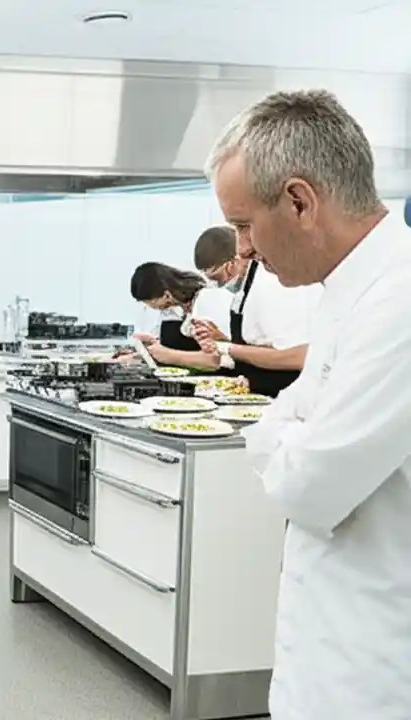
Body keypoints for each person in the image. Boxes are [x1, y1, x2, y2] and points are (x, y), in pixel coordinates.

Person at [207, 89, 411, 719]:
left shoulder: (399, 303)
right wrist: (290, 426)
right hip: (331, 653)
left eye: (244, 225)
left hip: (374, 673)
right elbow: (290, 415)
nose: (242, 249)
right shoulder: (351, 293)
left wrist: (281, 433)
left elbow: (310, 485)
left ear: (299, 201)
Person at [189, 225, 320, 396]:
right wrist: (221, 338)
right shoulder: (246, 285)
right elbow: (260, 340)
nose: (219, 285)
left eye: (218, 278)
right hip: (254, 388)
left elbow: (296, 356)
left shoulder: (272, 285)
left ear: (233, 263)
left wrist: (227, 348)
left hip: (281, 391)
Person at [128, 261, 234, 367]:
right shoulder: (184, 309)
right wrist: (153, 343)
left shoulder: (207, 299)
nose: (150, 306)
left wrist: (168, 355)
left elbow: (217, 359)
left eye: (148, 302)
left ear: (166, 295)